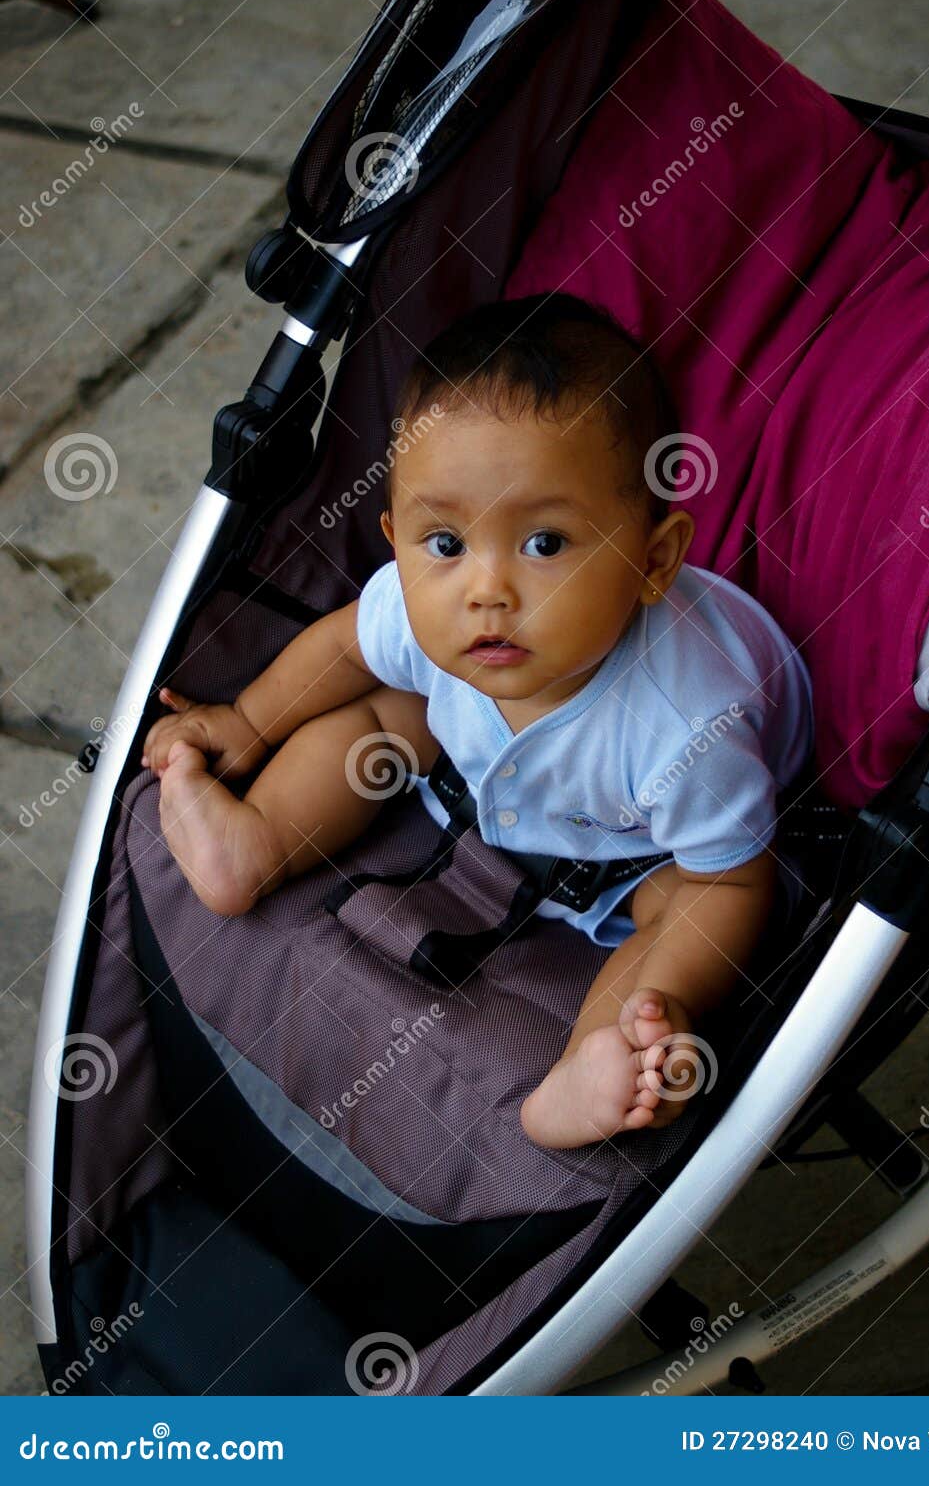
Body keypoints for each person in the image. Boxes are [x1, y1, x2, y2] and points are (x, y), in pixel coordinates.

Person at [143, 293, 813, 1151]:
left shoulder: (690, 728)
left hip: (643, 842)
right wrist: (246, 720)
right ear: (396, 540)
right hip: (480, 749)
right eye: (445, 543)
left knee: (681, 913)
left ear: (652, 561)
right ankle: (256, 838)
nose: (485, 590)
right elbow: (346, 646)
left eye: (544, 545)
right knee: (382, 712)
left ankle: (599, 1059)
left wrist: (678, 986)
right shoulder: (433, 615)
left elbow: (731, 881)